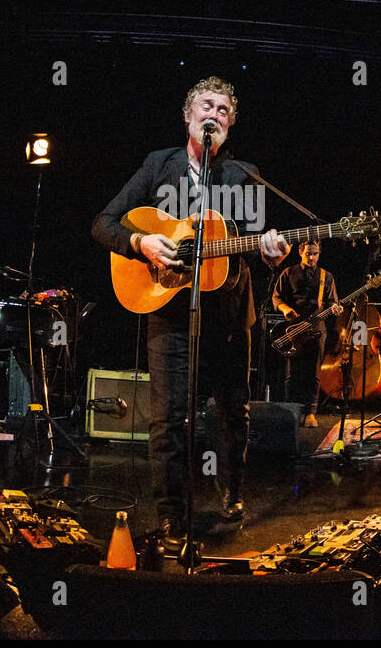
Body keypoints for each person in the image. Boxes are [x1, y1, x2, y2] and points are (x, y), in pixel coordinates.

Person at [91, 76, 289, 547]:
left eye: (223, 110)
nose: (214, 114)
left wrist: (271, 249)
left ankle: (232, 492)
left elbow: (259, 242)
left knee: (233, 412)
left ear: (230, 125)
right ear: (188, 115)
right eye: (207, 105)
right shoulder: (159, 164)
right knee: (169, 418)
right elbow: (103, 223)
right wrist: (141, 242)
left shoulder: (244, 174)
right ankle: (170, 516)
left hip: (228, 314)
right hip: (170, 311)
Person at [272, 239, 341, 428]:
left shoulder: (326, 276)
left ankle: (311, 413)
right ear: (300, 252)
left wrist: (334, 309)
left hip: (317, 328)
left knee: (313, 372)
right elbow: (276, 297)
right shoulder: (288, 273)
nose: (312, 257)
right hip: (292, 328)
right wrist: (285, 308)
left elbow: (331, 302)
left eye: (315, 253)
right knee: (290, 373)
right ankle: (289, 411)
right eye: (308, 253)